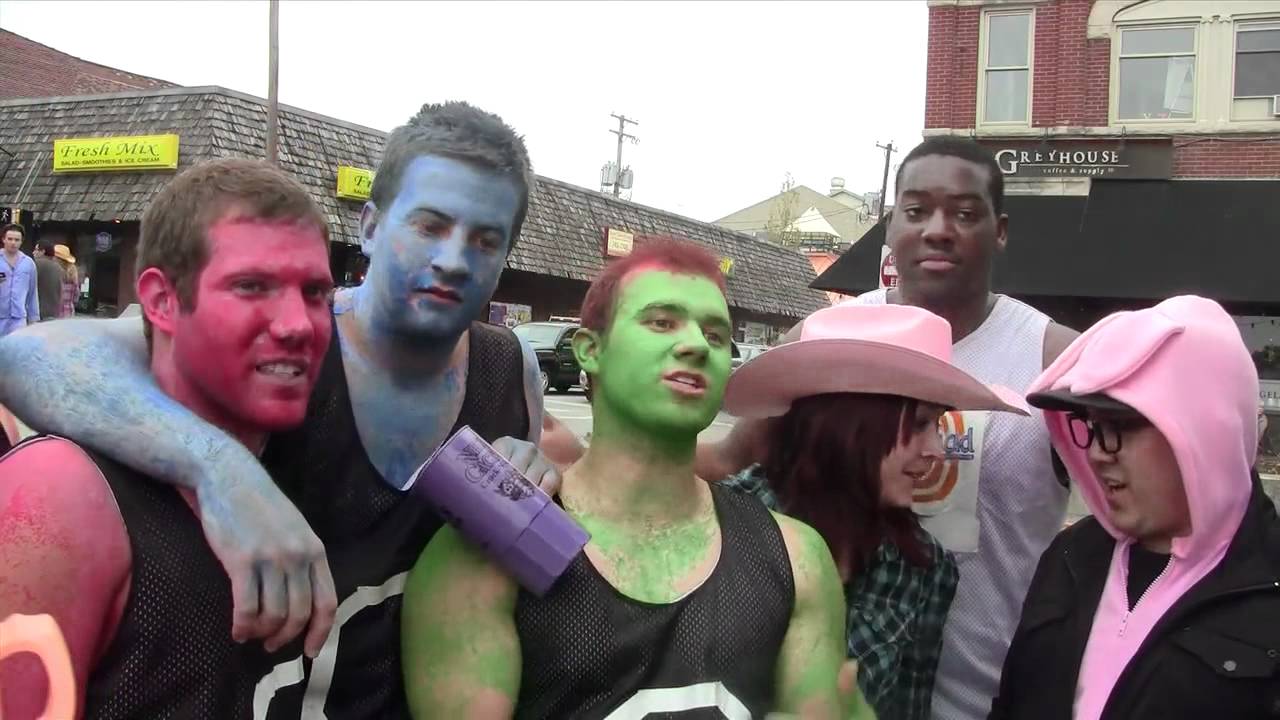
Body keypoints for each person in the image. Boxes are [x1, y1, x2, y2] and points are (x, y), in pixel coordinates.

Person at [0, 102, 556, 718]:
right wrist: (220, 469)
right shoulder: (286, 351)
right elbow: (29, 356)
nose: (454, 258)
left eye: (485, 240)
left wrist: (539, 481)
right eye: (430, 226)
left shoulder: (512, 371)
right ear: (370, 227)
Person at [671, 137, 1079, 719]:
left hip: (991, 696)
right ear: (890, 226)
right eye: (916, 211)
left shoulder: (1055, 358)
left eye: (966, 213)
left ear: (1001, 230)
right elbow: (724, 461)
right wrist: (568, 479)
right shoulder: (825, 339)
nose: (938, 231)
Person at [402, 239, 873, 719]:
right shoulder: (486, 551)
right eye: (661, 322)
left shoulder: (797, 558)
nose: (695, 345)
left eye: (715, 335)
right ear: (590, 350)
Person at [0, 157, 335, 718]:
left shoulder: (323, 440)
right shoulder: (62, 497)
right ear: (161, 301)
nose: (298, 323)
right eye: (252, 287)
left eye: (317, 292)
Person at [721, 302, 1031, 720]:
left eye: (938, 426)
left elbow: (909, 709)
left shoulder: (923, 570)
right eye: (920, 424)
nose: (937, 450)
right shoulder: (725, 525)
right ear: (850, 423)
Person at [991, 295, 1280, 720]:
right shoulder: (1069, 558)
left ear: (1203, 430)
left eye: (1121, 428)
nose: (1097, 453)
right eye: (1092, 427)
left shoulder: (1267, 588)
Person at [0, 223, 39, 336]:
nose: (13, 243)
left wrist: (34, 319)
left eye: (17, 240)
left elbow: (32, 293)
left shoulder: (28, 263)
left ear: (21, 241)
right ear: (3, 239)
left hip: (19, 319)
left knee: (17, 346)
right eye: (10, 239)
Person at [32, 240, 61, 321]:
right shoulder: (58, 267)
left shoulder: (36, 264)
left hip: (38, 310)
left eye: (36, 250)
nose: (33, 252)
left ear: (43, 251)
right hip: (53, 310)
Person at [54, 244, 79, 318]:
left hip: (56, 313)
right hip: (69, 312)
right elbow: (76, 297)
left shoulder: (55, 273)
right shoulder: (73, 274)